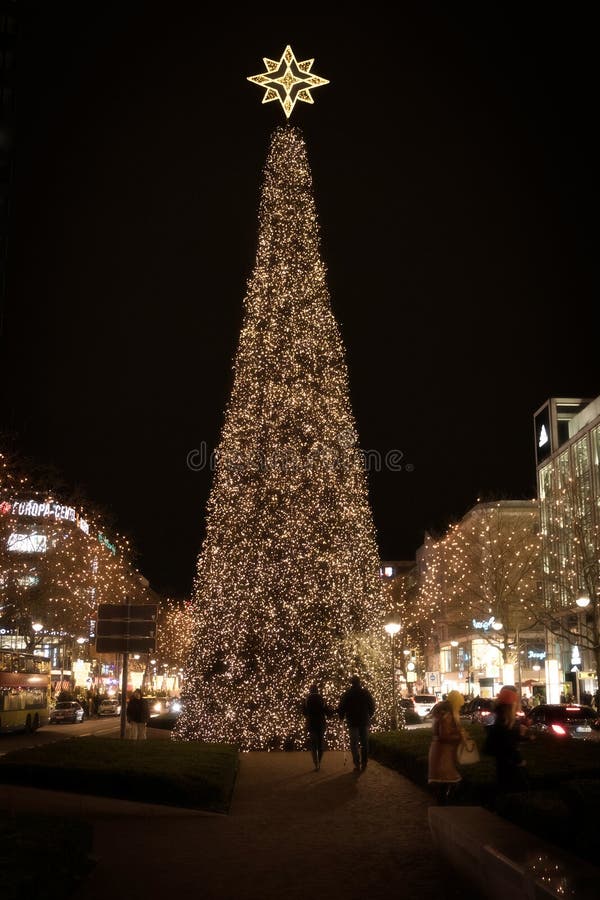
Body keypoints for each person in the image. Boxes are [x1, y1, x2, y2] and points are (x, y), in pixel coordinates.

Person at [484, 686, 529, 793]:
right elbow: (508, 744)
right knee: (513, 787)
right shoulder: (506, 721)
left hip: (503, 759)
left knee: (504, 784)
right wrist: (519, 759)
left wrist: (523, 736)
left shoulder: (499, 717)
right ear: (513, 703)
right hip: (509, 761)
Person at [427, 689, 466, 804]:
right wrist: (459, 736)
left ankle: (442, 807)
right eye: (459, 705)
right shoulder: (447, 715)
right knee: (450, 782)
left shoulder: (442, 713)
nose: (460, 708)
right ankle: (445, 809)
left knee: (444, 784)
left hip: (440, 752)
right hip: (443, 754)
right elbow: (444, 735)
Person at [338, 675, 375, 772]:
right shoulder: (365, 692)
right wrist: (369, 716)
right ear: (359, 682)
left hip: (352, 722)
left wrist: (341, 717)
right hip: (364, 721)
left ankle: (357, 764)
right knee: (364, 743)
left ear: (351, 683)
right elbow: (372, 705)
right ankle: (364, 763)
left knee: (354, 744)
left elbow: (342, 707)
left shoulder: (347, 694)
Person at [302, 684, 333, 771]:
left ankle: (316, 764)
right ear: (317, 690)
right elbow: (327, 711)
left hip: (311, 724)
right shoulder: (322, 699)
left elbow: (304, 712)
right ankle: (319, 761)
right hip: (321, 724)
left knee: (313, 744)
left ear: (310, 690)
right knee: (320, 744)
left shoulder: (307, 700)